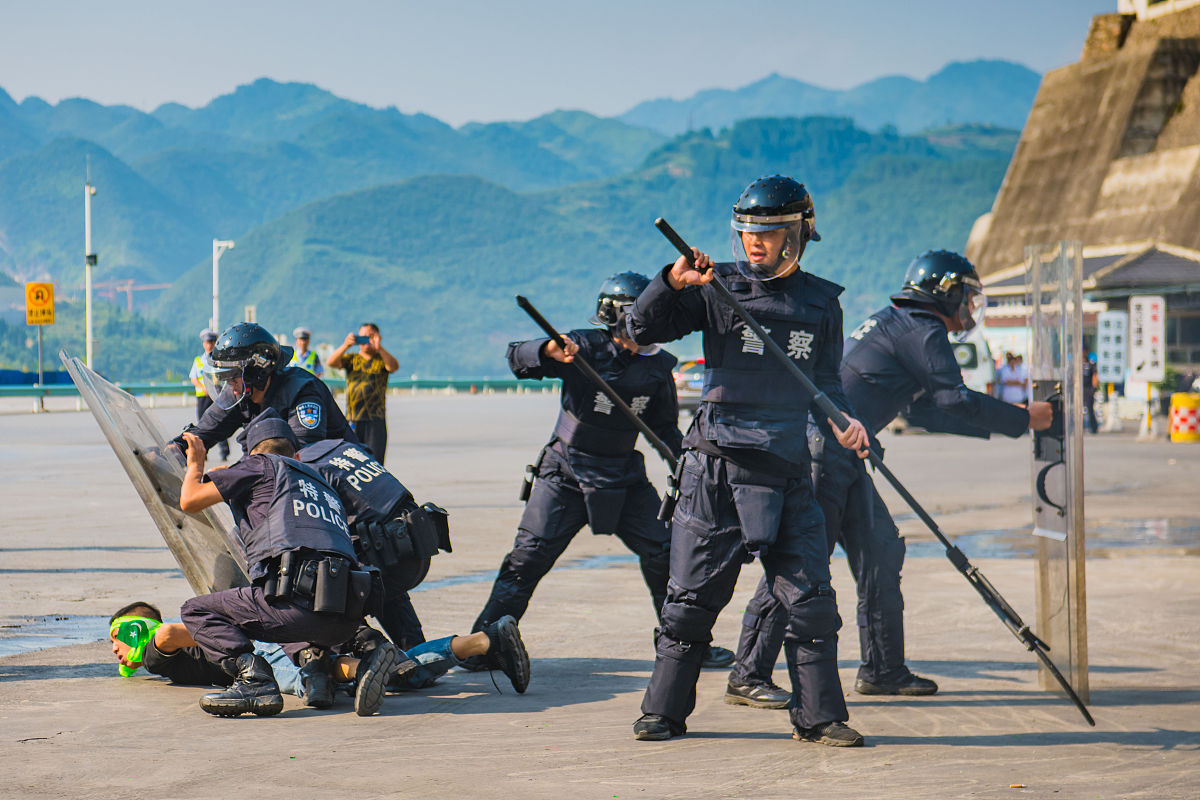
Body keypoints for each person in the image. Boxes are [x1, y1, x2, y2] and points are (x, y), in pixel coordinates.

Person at [730, 250, 1054, 706]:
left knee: (881, 551)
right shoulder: (923, 330)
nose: (970, 306)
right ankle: (747, 673)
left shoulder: (900, 322)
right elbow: (954, 400)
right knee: (800, 561)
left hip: (843, 452)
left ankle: (883, 669)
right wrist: (1025, 419)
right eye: (967, 295)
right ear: (945, 292)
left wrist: (1011, 421)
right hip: (825, 452)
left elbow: (924, 408)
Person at [626, 175, 871, 747]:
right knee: (689, 602)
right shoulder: (717, 287)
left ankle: (819, 717)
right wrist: (669, 282)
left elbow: (826, 381)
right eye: (746, 232)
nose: (754, 243)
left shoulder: (822, 302)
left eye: (768, 232)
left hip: (786, 468)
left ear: (800, 234)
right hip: (714, 466)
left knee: (810, 600)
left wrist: (844, 420)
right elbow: (639, 330)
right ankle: (663, 712)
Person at [468, 273, 733, 671]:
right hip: (565, 472)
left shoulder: (659, 366)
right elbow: (516, 358)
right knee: (527, 559)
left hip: (624, 475)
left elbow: (664, 428)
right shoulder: (580, 347)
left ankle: (684, 642)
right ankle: (484, 644)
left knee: (665, 552)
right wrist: (546, 351)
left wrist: (691, 468)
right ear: (616, 315)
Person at [175, 410, 379, 717]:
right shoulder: (321, 482)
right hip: (346, 616)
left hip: (296, 609)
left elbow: (190, 501)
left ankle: (254, 679)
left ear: (251, 454)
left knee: (196, 610)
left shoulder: (258, 465)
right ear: (296, 453)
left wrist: (196, 466)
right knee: (295, 619)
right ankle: (353, 665)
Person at [299, 436, 530, 692]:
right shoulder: (340, 447)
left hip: (382, 559)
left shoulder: (306, 469)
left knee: (396, 669)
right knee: (415, 663)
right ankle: (489, 641)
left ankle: (484, 641)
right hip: (408, 549)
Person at [172, 322, 357, 457]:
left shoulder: (302, 392)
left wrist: (226, 479)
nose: (230, 385)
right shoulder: (240, 391)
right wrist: (175, 447)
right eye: (225, 378)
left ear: (256, 373)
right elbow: (204, 431)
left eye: (233, 376)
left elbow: (299, 456)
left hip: (346, 489)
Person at [327, 323, 398, 463]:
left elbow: (393, 366)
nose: (367, 340)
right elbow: (332, 362)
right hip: (353, 418)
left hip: (375, 420)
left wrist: (379, 348)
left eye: (370, 336)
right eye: (363, 336)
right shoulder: (352, 359)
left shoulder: (381, 360)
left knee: (376, 462)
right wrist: (346, 345)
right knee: (353, 461)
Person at [188, 329, 229, 461]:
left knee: (221, 422)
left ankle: (224, 451)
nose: (209, 344)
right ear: (203, 343)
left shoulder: (219, 359)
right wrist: (203, 388)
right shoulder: (198, 360)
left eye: (211, 341)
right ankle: (203, 451)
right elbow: (193, 377)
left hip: (217, 395)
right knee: (202, 424)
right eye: (207, 342)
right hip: (203, 396)